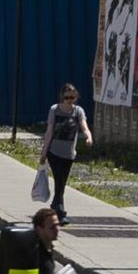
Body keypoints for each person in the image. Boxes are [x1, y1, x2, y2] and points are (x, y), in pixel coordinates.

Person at [39, 83, 92, 227]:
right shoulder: (54, 110)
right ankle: (61, 213)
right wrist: (44, 152)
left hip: (69, 154)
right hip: (54, 152)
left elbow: (84, 126)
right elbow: (49, 131)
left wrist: (88, 137)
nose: (69, 100)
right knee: (59, 181)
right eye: (67, 97)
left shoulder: (78, 111)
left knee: (62, 182)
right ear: (62, 96)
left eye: (72, 97)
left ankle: (54, 207)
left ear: (75, 97)